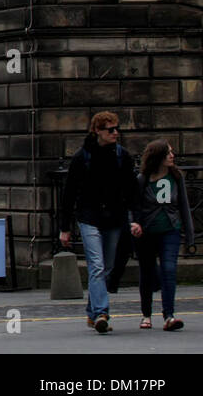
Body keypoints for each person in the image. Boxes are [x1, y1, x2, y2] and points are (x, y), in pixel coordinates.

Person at [59, 111, 142, 333]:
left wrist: (136, 218)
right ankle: (101, 313)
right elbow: (69, 194)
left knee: (107, 267)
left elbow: (132, 190)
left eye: (117, 129)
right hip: (89, 217)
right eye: (110, 129)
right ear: (97, 131)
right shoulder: (82, 157)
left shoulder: (121, 156)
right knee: (96, 266)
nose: (115, 133)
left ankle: (91, 310)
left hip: (114, 218)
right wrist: (64, 228)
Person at [135, 139, 195, 331]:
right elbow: (133, 206)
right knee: (148, 272)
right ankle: (146, 314)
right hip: (146, 232)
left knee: (169, 269)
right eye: (168, 153)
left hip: (170, 230)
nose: (172, 156)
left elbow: (184, 206)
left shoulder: (176, 177)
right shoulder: (142, 179)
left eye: (172, 152)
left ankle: (169, 315)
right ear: (158, 156)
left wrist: (190, 235)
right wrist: (134, 223)